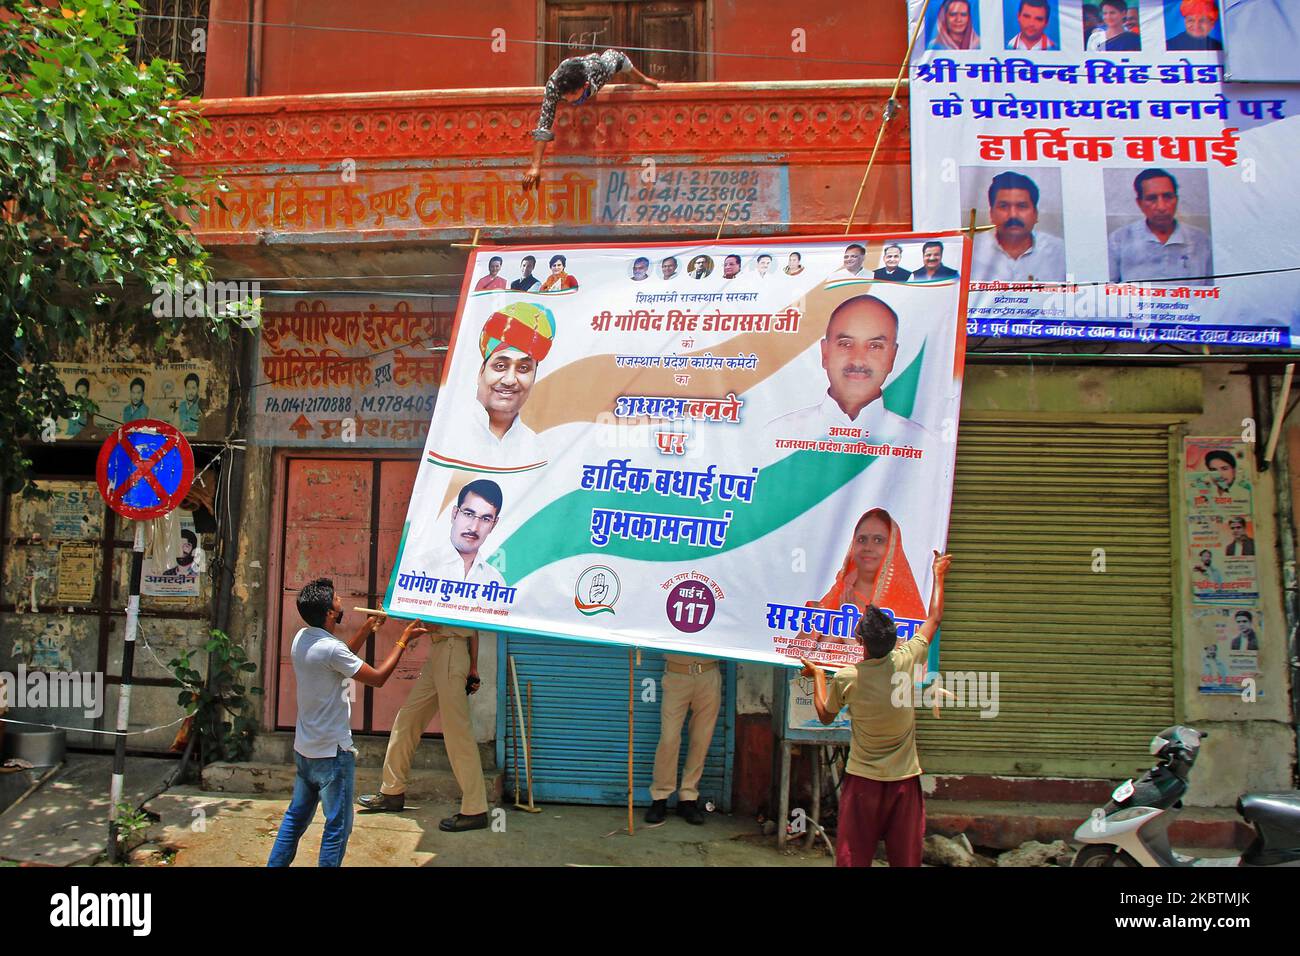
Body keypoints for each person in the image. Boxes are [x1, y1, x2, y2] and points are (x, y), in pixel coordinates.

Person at [358, 480, 506, 831]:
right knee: (408, 721)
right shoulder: (430, 565)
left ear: (493, 525)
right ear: (454, 515)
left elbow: (476, 629)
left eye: (485, 518)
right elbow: (417, 607)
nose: (474, 525)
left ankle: (475, 809)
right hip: (441, 653)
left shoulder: (492, 577)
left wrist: (471, 667)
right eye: (469, 513)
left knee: (457, 733)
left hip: (453, 653)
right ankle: (392, 791)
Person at [801, 551, 953, 867]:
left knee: (853, 857)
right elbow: (934, 618)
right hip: (904, 783)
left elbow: (825, 716)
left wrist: (817, 675)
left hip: (862, 784)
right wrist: (938, 574)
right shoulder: (905, 660)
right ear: (895, 640)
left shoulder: (848, 677)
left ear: (861, 642)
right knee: (905, 858)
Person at [267, 578, 429, 866]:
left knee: (295, 818)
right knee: (337, 828)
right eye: (337, 599)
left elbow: (339, 661)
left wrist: (367, 629)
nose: (342, 601)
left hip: (306, 751)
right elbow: (377, 678)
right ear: (330, 612)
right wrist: (403, 640)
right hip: (333, 755)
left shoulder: (302, 638)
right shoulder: (330, 649)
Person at [765, 295, 932, 449]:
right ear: (825, 353)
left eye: (875, 346)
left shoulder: (920, 442)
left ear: (892, 357)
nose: (858, 360)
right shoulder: (778, 434)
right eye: (845, 344)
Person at [432, 302, 554, 472]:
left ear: (534, 378)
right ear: (481, 372)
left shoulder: (536, 450)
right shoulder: (447, 434)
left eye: (523, 368)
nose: (510, 380)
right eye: (500, 366)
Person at [524, 49, 660, 190]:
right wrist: (535, 167)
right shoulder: (553, 88)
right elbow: (544, 125)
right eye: (565, 96)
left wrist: (643, 79)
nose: (569, 99)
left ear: (585, 86)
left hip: (590, 65)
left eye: (573, 94)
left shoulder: (599, 72)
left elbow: (619, 58)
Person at [809, 509, 926, 653]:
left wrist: (847, 632)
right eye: (862, 539)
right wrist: (833, 635)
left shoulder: (906, 606)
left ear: (892, 547)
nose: (868, 548)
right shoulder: (834, 599)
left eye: (878, 540)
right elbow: (794, 653)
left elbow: (903, 664)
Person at [645, 651, 722, 826]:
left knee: (701, 739)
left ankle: (688, 798)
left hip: (708, 674)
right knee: (669, 738)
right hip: (676, 673)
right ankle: (660, 796)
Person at [1107, 169, 1212, 285]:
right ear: (1140, 203)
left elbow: (1216, 291)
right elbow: (1106, 290)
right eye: (1152, 199)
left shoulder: (1201, 240)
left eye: (1167, 197)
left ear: (1176, 200)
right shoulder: (1118, 240)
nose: (1161, 207)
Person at [972, 171, 1066, 282]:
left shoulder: (1059, 252)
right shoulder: (972, 251)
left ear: (1035, 214)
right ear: (991, 214)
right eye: (1003, 206)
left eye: (1022, 206)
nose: (1013, 215)